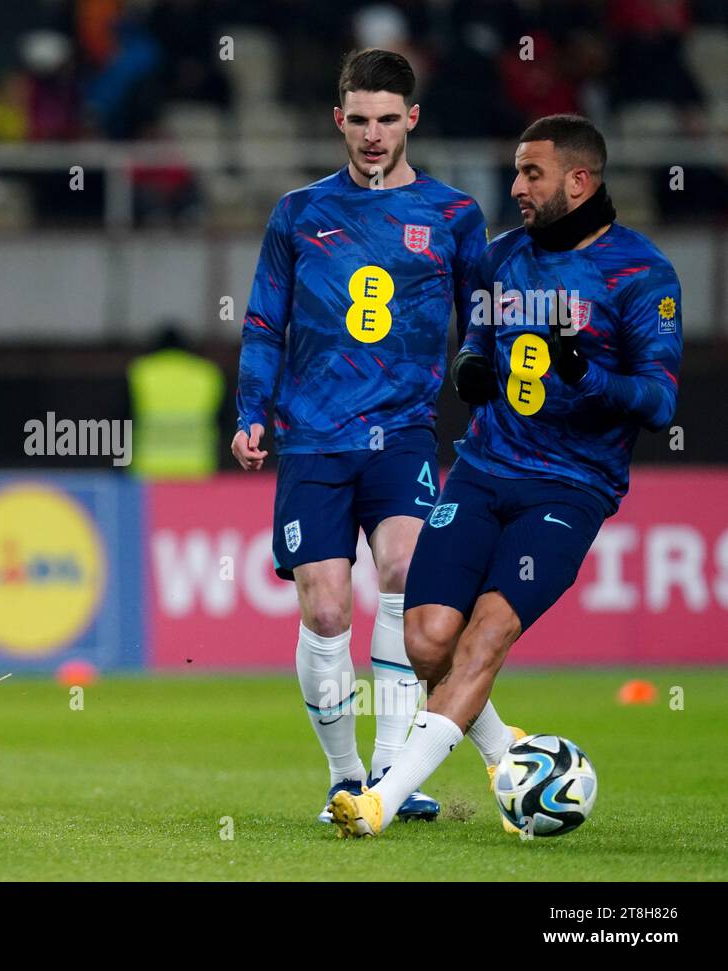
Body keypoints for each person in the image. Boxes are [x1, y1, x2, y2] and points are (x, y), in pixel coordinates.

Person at [331, 114, 682, 838]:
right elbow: (479, 344)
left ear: (579, 182)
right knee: (428, 640)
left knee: (487, 633)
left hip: (569, 487)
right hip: (483, 471)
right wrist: (470, 367)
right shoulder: (498, 260)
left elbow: (660, 400)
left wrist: (590, 377)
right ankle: (503, 752)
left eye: (532, 173)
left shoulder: (641, 273)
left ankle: (378, 802)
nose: (516, 185)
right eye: (517, 170)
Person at [232, 49, 500, 825]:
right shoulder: (298, 213)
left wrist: (486, 394)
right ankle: (342, 775)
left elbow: (482, 321)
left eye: (387, 119)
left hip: (404, 432)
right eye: (360, 120)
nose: (373, 134)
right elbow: (263, 321)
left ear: (411, 118)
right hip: (313, 438)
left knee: (405, 571)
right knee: (324, 611)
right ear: (338, 120)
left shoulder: (454, 215)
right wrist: (251, 411)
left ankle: (388, 772)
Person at [127, 323, 224, 479]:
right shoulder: (207, 374)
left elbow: (122, 418)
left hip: (149, 470)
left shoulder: (140, 372)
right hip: (198, 469)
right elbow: (225, 422)